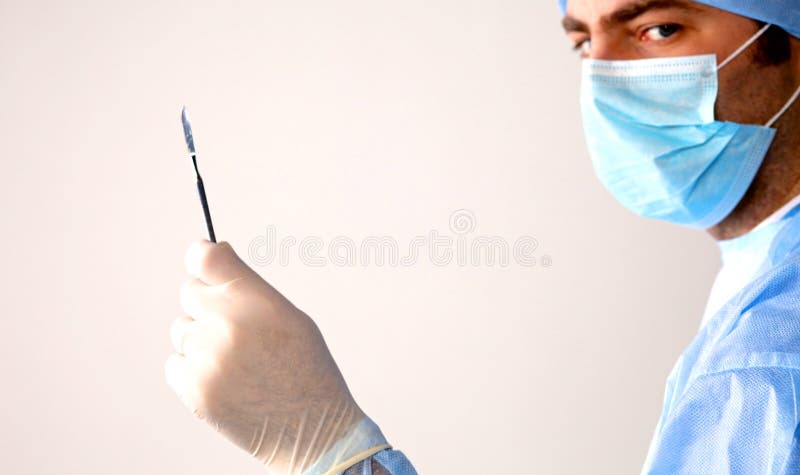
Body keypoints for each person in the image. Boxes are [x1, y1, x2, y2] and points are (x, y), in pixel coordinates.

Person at [165, 1, 800, 473]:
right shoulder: (764, 276)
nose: (602, 79)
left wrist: (328, 448)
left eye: (657, 29)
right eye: (583, 42)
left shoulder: (767, 371)